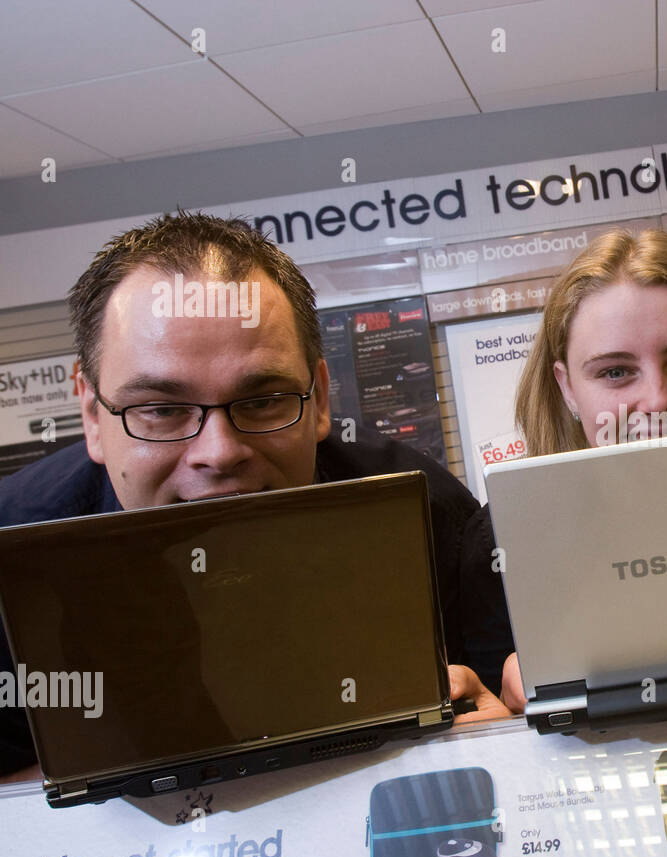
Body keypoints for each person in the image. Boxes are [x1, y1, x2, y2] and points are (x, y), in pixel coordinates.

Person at [0, 211, 509, 780]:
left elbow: (494, 706)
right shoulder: (11, 551)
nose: (219, 453)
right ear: (93, 415)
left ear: (318, 401)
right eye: (163, 410)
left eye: (263, 400)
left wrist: (493, 740)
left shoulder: (422, 511)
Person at [488, 228, 667, 709]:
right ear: (567, 388)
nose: (657, 399)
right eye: (615, 372)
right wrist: (504, 708)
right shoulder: (501, 540)